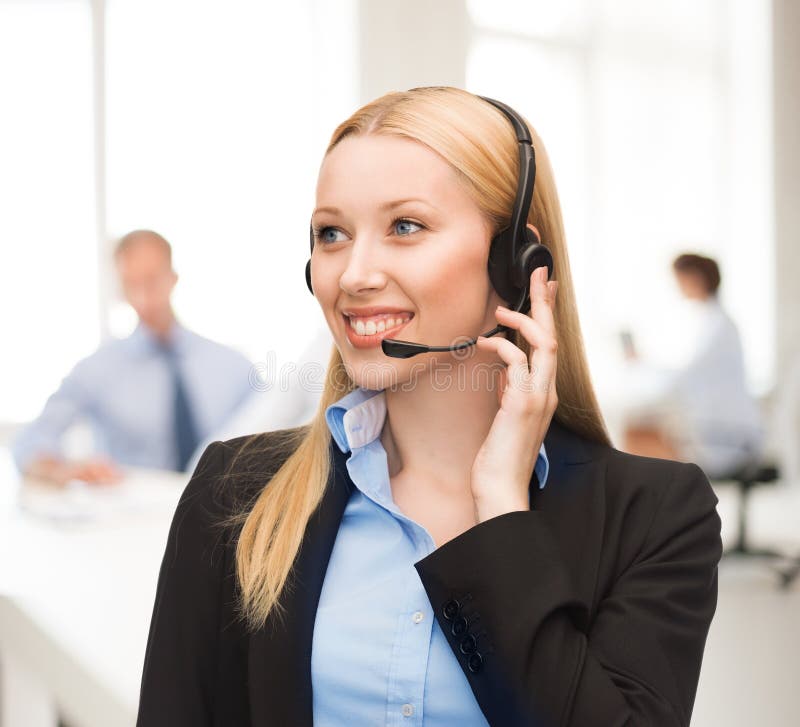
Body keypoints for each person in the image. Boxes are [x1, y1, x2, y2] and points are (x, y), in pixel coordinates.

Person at [137, 88, 721, 726]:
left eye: (405, 227)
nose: (353, 274)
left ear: (517, 260)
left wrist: (499, 509)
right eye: (331, 233)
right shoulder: (237, 493)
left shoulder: (656, 517)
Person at [12, 229, 255, 485]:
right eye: (131, 284)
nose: (143, 297)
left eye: (151, 280)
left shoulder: (233, 366)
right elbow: (29, 442)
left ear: (172, 278)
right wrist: (63, 470)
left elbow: (274, 430)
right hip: (132, 516)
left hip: (221, 509)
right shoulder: (97, 369)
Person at [622, 253, 764, 479]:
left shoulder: (718, 326)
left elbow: (682, 379)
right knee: (639, 434)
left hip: (728, 437)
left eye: (680, 279)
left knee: (637, 435)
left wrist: (642, 364)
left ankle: (667, 508)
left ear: (695, 278)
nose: (677, 286)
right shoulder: (711, 321)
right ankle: (664, 506)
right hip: (717, 430)